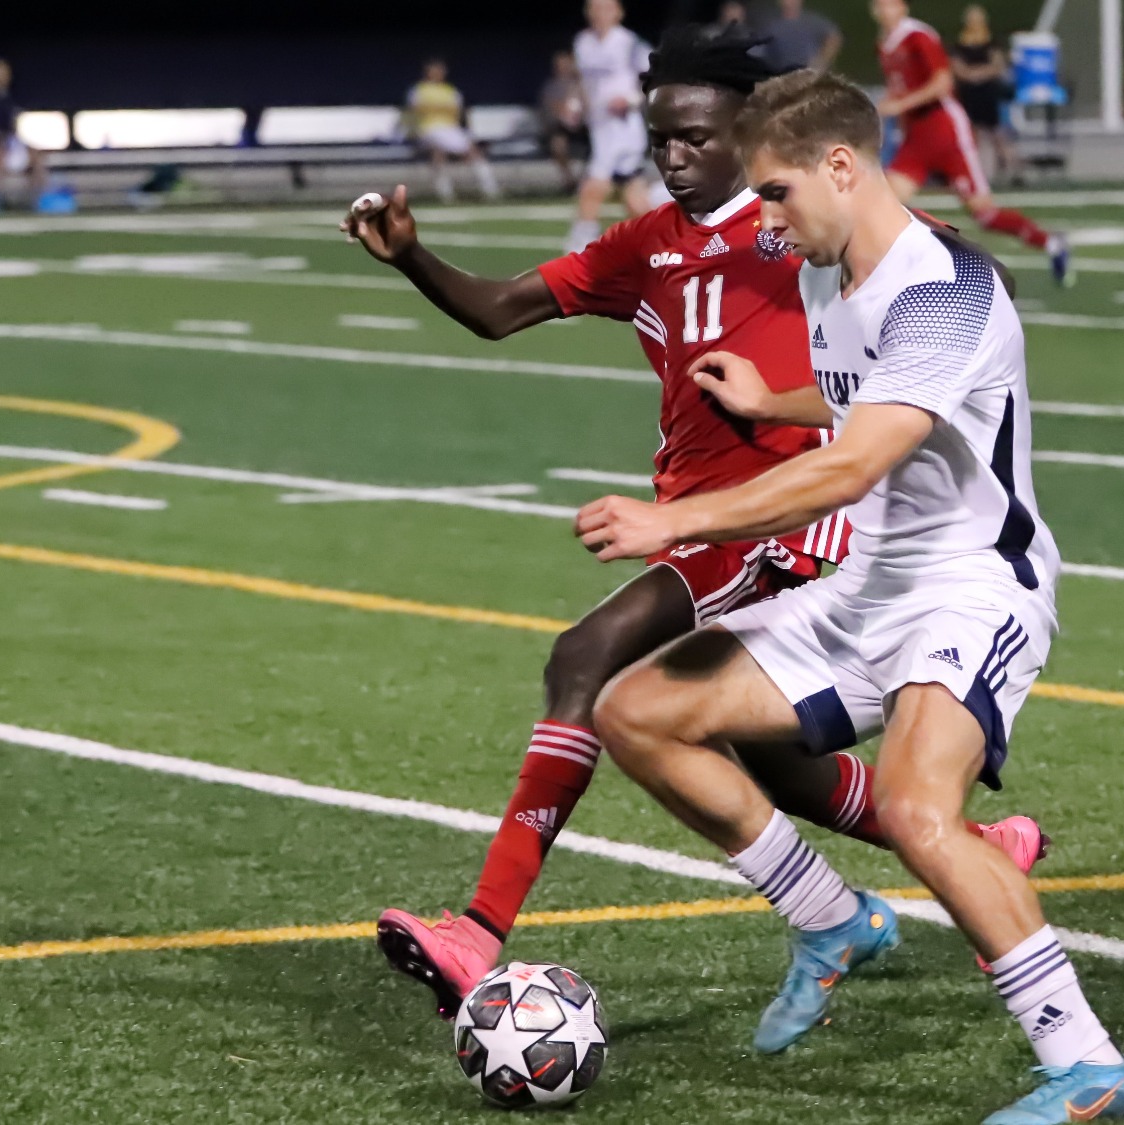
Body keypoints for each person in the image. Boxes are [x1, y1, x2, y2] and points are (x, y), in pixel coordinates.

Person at [343, 26, 1048, 1021]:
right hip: (702, 519)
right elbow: (501, 310)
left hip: (778, 521)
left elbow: (964, 280)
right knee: (776, 767)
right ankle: (973, 853)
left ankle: (480, 931)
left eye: (695, 137)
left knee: (586, 660)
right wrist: (412, 256)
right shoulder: (647, 244)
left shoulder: (793, 218)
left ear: (749, 133)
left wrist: (813, 394)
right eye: (659, 139)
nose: (673, 156)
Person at [582, 68, 1124, 1125]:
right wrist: (775, 399)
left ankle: (1090, 1065)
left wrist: (674, 520)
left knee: (914, 808)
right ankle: (830, 918)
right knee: (636, 710)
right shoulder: (828, 265)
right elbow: (865, 392)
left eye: (774, 192)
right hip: (867, 590)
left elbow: (851, 466)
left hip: (973, 589)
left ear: (840, 166)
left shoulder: (943, 289)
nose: (763, 219)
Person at [871, 0, 1070, 286]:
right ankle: (898, 275)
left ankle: (1050, 242)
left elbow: (941, 83)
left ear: (903, 6)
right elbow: (901, 87)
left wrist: (900, 105)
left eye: (889, 3)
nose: (883, 9)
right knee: (884, 204)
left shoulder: (917, 36)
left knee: (984, 214)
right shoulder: (886, 43)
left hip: (946, 130)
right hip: (917, 136)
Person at [567, 0, 657, 252]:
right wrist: (575, 105)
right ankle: (666, 241)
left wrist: (630, 99)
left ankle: (578, 249)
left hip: (623, 128)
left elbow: (653, 76)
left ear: (618, 12)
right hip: (599, 128)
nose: (600, 14)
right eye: (595, 8)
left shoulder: (629, 43)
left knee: (592, 187)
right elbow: (582, 82)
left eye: (606, 8)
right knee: (635, 201)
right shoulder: (583, 43)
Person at [405, 58, 501, 203]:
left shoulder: (450, 91)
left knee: (472, 152)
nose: (438, 73)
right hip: (428, 129)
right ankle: (445, 193)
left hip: (451, 129)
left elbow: (461, 113)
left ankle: (490, 189)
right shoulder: (419, 91)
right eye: (435, 70)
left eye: (441, 70)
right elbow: (413, 113)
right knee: (438, 151)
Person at [0, 58, 54, 214]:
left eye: (4, 73)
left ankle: (39, 199)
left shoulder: (13, 97)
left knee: (37, 157)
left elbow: (17, 123)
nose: (2, 76)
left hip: (14, 143)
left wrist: (16, 140)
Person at [951, 5, 1019, 189]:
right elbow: (957, 67)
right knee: (972, 134)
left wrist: (980, 74)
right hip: (968, 93)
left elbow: (997, 65)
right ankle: (973, 172)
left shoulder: (991, 43)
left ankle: (1013, 169)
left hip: (988, 92)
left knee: (996, 132)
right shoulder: (960, 45)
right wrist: (970, 75)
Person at [540, 50, 590, 193]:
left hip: (585, 126)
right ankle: (569, 181)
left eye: (566, 64)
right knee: (558, 144)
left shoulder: (584, 83)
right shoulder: (551, 86)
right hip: (562, 126)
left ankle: (585, 182)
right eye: (560, 64)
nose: (563, 67)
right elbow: (551, 107)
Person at [760, 0, 843, 74]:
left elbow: (834, 37)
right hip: (782, 76)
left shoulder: (812, 21)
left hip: (809, 75)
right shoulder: (771, 24)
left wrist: (822, 60)